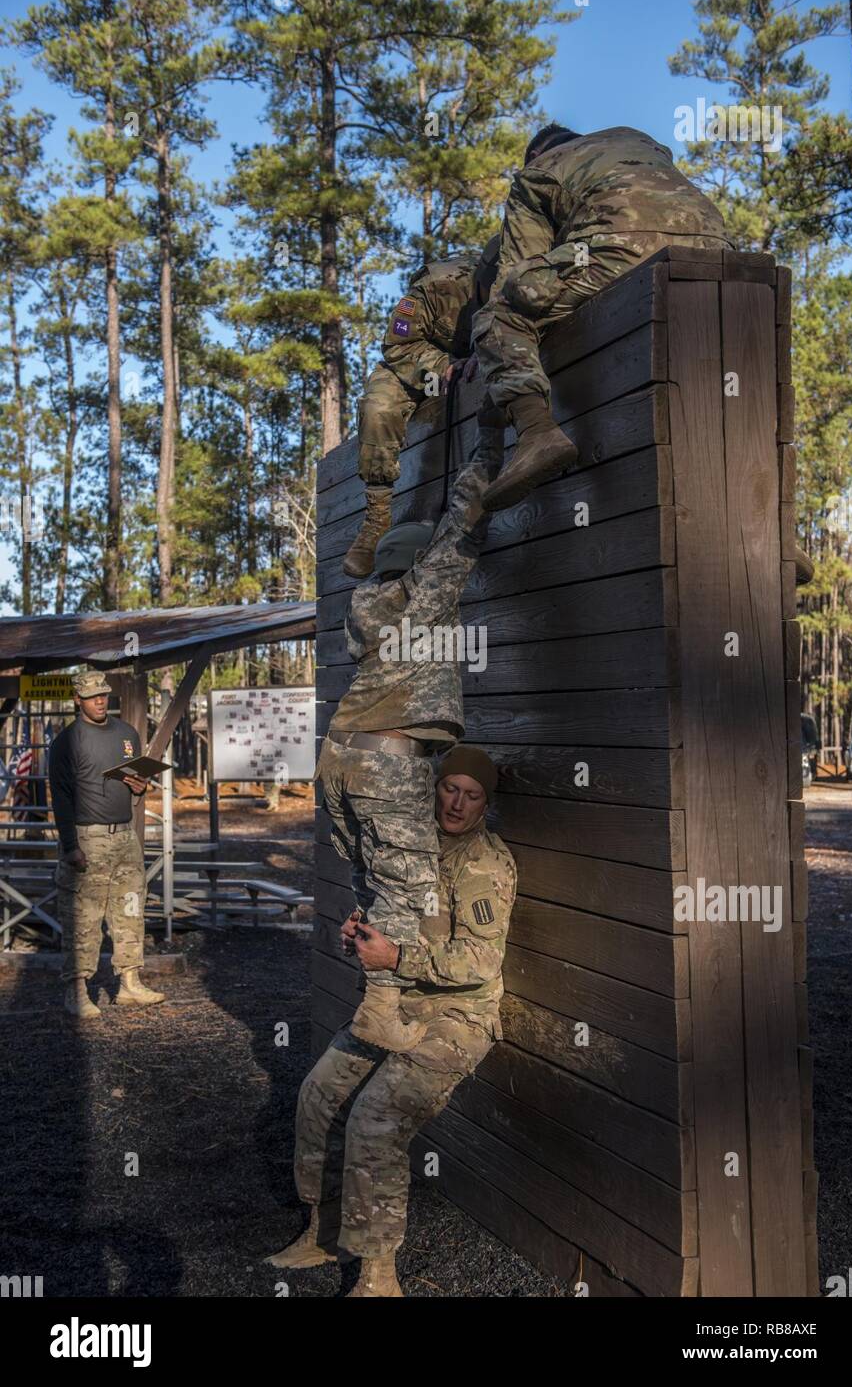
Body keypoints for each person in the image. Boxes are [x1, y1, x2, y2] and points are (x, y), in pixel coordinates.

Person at [266, 746, 516, 1297]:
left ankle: (379, 1276)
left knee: (375, 1119)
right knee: (318, 1094)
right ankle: (323, 1229)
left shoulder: (484, 865)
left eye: (472, 795)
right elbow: (391, 909)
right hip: (395, 1005)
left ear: (485, 803)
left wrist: (397, 959)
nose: (457, 802)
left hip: (457, 1018)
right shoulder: (413, 845)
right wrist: (363, 933)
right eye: (450, 788)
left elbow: (480, 963)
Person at [317, 426, 504, 1053]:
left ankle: (379, 980)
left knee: (373, 876)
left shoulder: (364, 604)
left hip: (341, 755)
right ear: (421, 565)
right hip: (389, 762)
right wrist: (490, 440)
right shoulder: (426, 594)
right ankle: (378, 1011)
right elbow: (463, 520)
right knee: (410, 885)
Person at [472, 122, 733, 511]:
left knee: (499, 313)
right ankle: (769, 507)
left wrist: (494, 371)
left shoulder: (536, 173)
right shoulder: (638, 140)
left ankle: (536, 434)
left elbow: (517, 271)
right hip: (720, 252)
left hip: (621, 248)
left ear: (535, 156)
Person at [343, 235, 500, 578]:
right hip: (417, 359)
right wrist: (443, 366)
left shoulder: (524, 280)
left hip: (476, 361)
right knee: (378, 409)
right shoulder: (438, 286)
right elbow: (398, 345)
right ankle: (376, 520)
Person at [48, 670, 164, 1019]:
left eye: (104, 694)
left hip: (125, 836)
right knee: (82, 916)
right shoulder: (66, 741)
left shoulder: (126, 735)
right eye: (92, 696)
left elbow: (135, 784)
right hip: (88, 837)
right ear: (77, 700)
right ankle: (77, 990)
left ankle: (130, 982)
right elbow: (62, 797)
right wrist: (70, 845)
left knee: (130, 908)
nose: (100, 700)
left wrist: (140, 786)